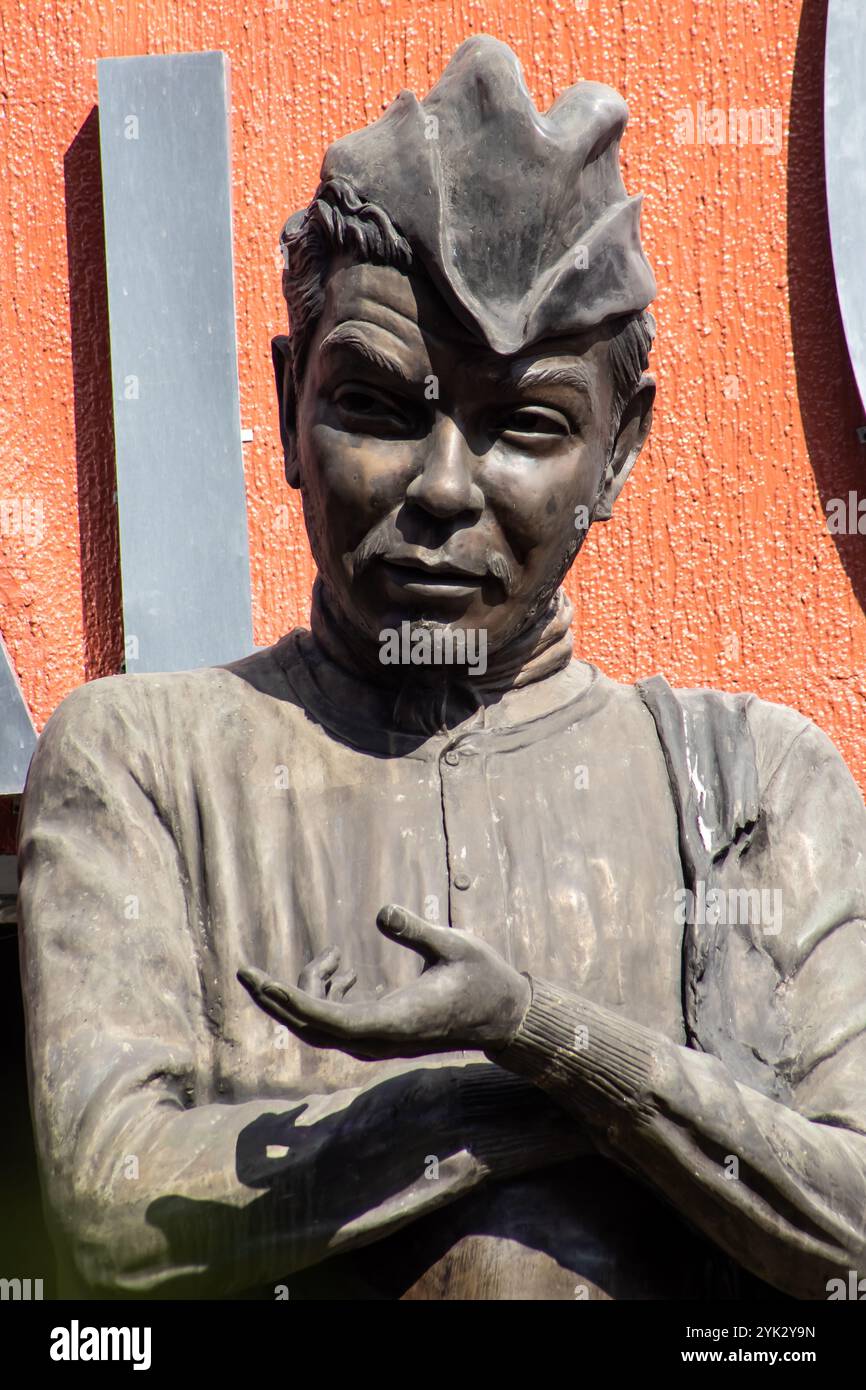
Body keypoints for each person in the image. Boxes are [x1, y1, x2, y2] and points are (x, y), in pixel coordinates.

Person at [18, 36, 866, 1300]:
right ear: (288, 398)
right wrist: (540, 1088)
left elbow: (847, 1223)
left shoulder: (750, 782)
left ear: (620, 450)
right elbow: (115, 1203)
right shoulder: (143, 758)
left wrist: (546, 1035)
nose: (442, 488)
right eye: (376, 403)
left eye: (525, 424)